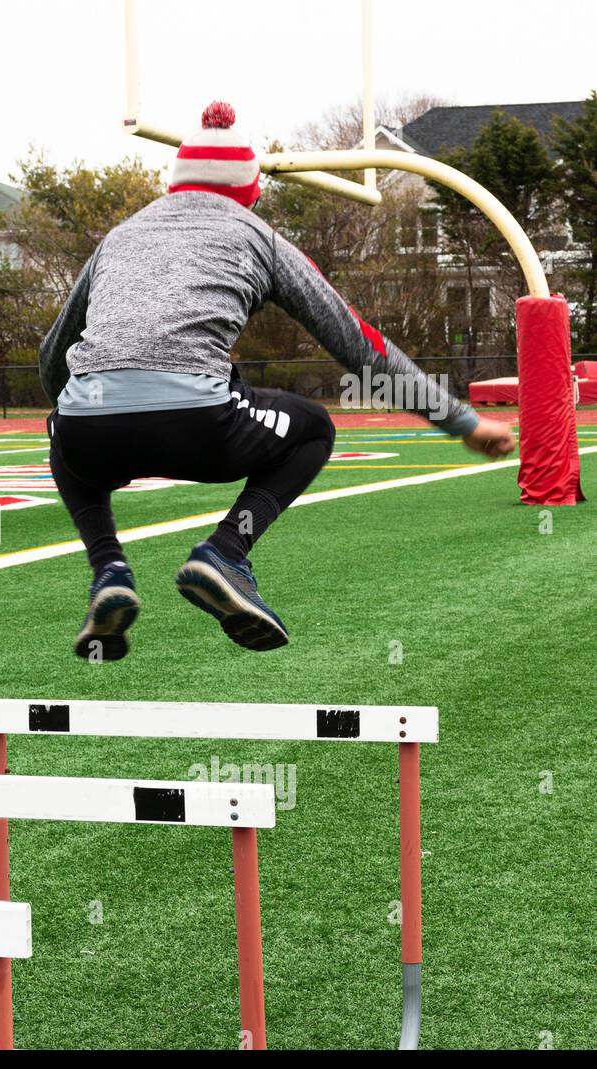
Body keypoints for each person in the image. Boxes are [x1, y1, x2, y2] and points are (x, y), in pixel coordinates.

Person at [40, 101, 516, 659]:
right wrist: (460, 422)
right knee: (314, 427)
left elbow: (54, 353)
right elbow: (360, 347)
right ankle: (225, 551)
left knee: (64, 420)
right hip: (200, 426)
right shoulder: (257, 236)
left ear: (173, 186)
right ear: (251, 193)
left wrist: (97, 418)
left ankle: (109, 571)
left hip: (89, 427)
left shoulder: (119, 238)